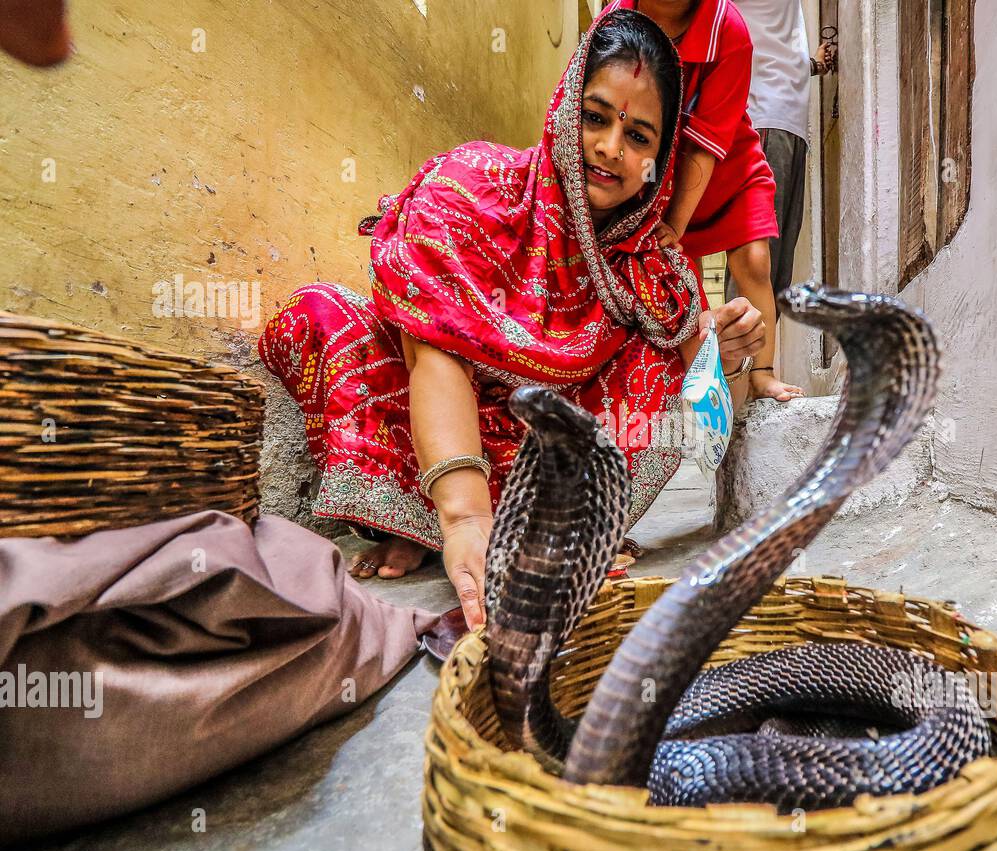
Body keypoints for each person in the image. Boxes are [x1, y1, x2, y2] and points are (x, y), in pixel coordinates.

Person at [258, 8, 765, 629]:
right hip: (436, 423)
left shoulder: (651, 264)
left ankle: (550, 530)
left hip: (535, 450)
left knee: (658, 364)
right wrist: (464, 520)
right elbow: (434, 356)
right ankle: (428, 523)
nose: (610, 149)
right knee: (319, 317)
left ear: (660, 159)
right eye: (596, 117)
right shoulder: (471, 187)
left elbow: (710, 403)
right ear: (564, 108)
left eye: (638, 137)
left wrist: (730, 355)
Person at [613, 0, 805, 403]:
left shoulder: (728, 30)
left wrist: (677, 225)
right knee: (684, 283)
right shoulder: (615, 22)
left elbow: (707, 144)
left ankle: (763, 374)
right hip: (660, 176)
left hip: (728, 166)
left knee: (755, 262)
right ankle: (697, 384)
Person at [727, 0, 835, 376]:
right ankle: (745, 374)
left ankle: (752, 369)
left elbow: (772, 46)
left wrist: (811, 65)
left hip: (785, 123)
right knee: (758, 261)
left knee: (778, 263)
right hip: (765, 122)